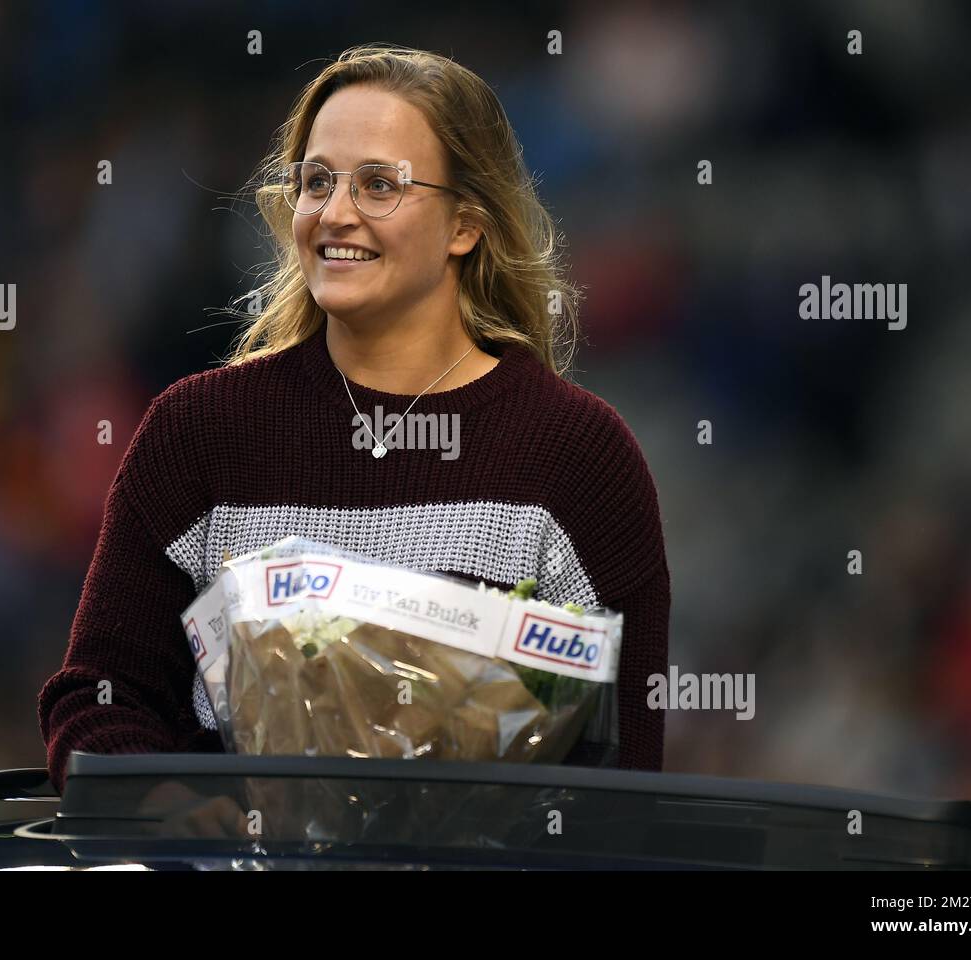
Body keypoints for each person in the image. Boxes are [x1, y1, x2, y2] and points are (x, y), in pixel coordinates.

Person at [37, 44, 670, 794]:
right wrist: (190, 821)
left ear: (465, 224)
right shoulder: (197, 433)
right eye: (316, 182)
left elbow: (626, 770)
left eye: (378, 185)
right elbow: (101, 699)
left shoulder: (577, 455)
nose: (336, 213)